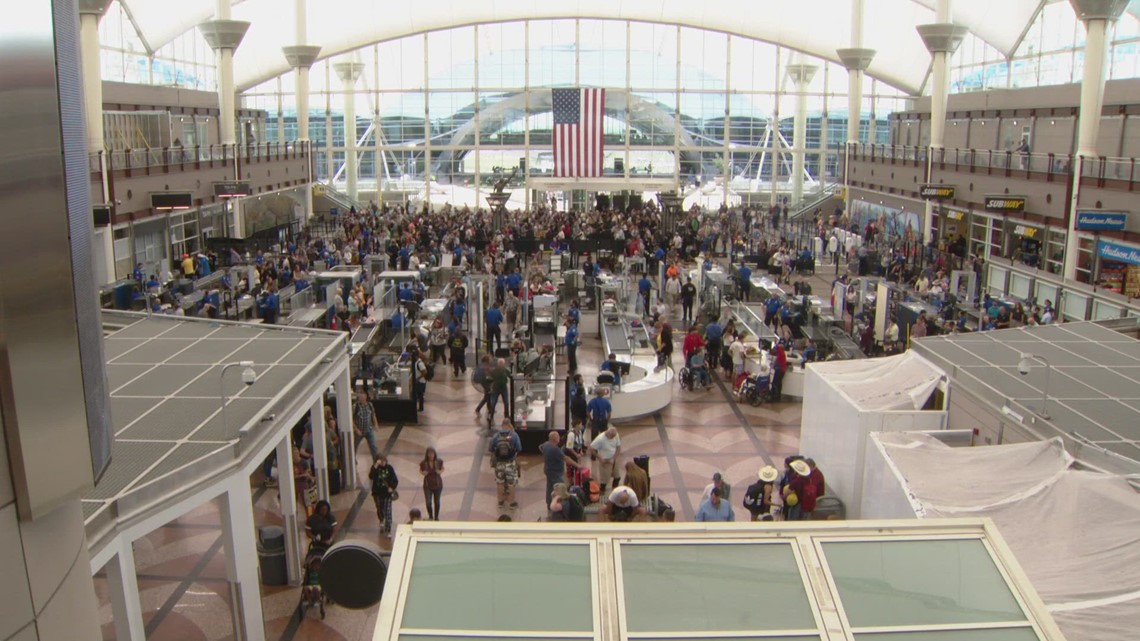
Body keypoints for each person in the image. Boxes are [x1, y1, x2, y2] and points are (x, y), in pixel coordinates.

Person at [539, 431, 578, 507]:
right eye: (558, 437)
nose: (559, 438)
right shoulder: (555, 449)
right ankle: (560, 506)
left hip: (548, 469)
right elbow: (566, 458)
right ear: (554, 439)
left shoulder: (546, 444)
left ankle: (549, 502)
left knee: (550, 487)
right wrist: (577, 465)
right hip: (555, 472)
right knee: (561, 487)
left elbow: (540, 447)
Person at [489, 421, 522, 509]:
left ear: (502, 426)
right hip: (510, 463)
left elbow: (491, 448)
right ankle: (511, 503)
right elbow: (519, 448)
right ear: (509, 426)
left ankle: (500, 502)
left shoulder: (496, 436)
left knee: (500, 482)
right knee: (512, 483)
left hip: (499, 463)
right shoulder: (514, 435)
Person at [369, 454, 399, 535]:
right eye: (380, 461)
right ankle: (381, 519)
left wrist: (392, 487)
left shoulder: (389, 468)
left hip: (387, 494)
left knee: (388, 511)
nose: (382, 462)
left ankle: (388, 529)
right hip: (377, 493)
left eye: (383, 460)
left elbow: (395, 480)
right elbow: (371, 476)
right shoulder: (375, 468)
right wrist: (376, 465)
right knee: (379, 508)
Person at [589, 427, 622, 494]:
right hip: (605, 460)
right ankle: (602, 492)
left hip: (614, 458)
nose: (613, 438)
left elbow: (618, 447)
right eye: (612, 437)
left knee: (617, 477)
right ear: (608, 433)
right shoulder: (600, 439)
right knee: (604, 480)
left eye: (614, 436)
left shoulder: (616, 435)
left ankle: (615, 491)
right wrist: (600, 458)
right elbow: (591, 448)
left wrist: (614, 458)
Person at [353, 388, 380, 459]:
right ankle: (353, 461)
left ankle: (376, 461)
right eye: (360, 395)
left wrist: (376, 424)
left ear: (366, 396)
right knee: (354, 446)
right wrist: (356, 429)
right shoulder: (355, 406)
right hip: (359, 431)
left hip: (369, 429)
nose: (361, 396)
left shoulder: (370, 405)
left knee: (373, 446)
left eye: (363, 395)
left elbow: (373, 414)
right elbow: (351, 419)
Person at [419, 447, 444, 521]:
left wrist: (440, 471)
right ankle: (430, 516)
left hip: (438, 484)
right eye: (429, 454)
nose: (431, 455)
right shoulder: (424, 463)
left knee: (437, 502)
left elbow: (442, 468)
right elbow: (420, 470)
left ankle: (436, 516)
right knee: (428, 502)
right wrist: (422, 473)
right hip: (427, 485)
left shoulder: (439, 461)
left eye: (432, 453)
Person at [487, 358, 511, 424]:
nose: (501, 365)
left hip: (503, 387)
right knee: (493, 402)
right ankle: (491, 415)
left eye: (502, 363)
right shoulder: (494, 371)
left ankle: (506, 415)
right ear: (498, 364)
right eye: (500, 363)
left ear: (504, 364)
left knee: (506, 402)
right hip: (496, 388)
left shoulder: (506, 370)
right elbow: (490, 378)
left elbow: (510, 376)